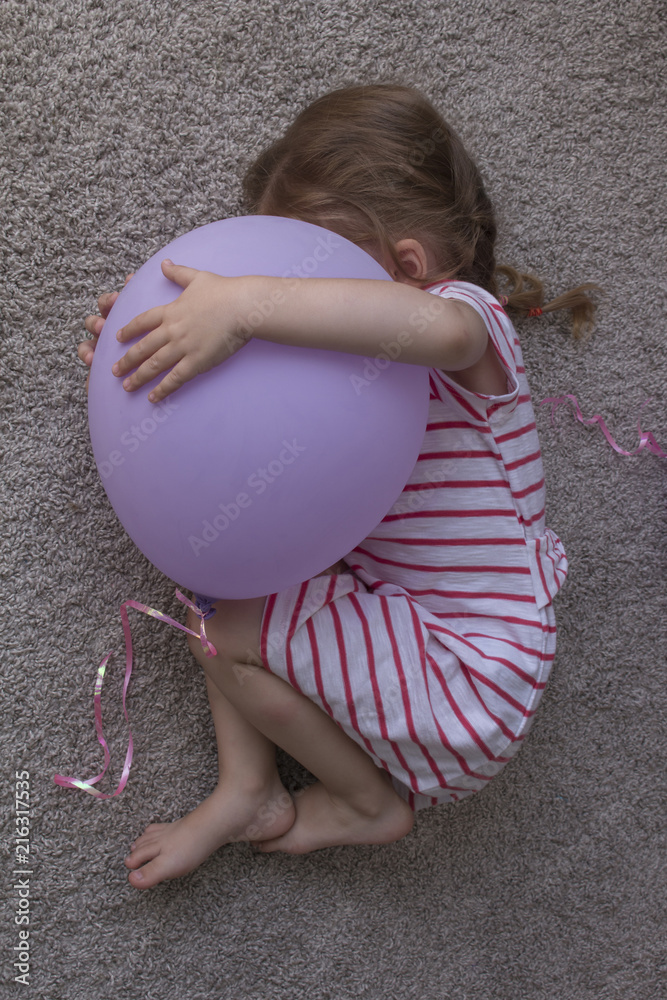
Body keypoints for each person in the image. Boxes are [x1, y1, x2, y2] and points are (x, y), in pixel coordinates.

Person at [79, 83, 597, 890]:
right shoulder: (353, 358)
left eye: (298, 270)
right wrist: (146, 340)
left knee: (223, 624)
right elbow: (254, 390)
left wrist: (248, 305)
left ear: (406, 269)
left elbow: (437, 331)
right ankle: (254, 788)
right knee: (215, 589)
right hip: (431, 654)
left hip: (469, 671)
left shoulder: (464, 318)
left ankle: (360, 803)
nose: (280, 290)